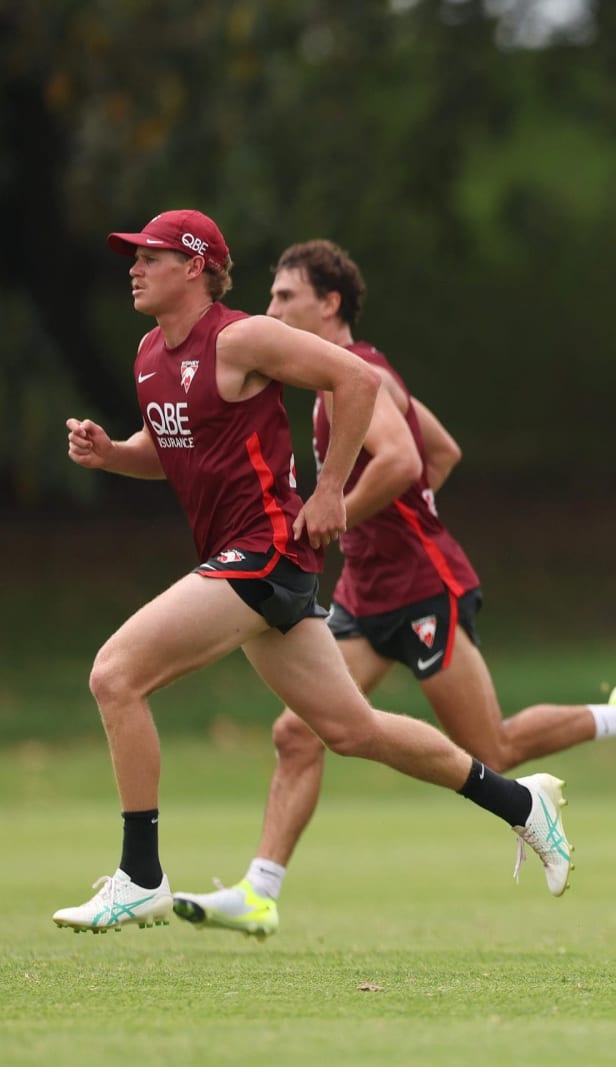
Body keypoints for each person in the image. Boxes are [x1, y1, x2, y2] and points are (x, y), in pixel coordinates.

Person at [54, 210, 574, 934]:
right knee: (353, 730)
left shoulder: (241, 336)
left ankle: (141, 875)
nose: (134, 268)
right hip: (251, 563)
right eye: (133, 257)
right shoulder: (149, 353)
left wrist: (330, 487)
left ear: (197, 266)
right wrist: (111, 451)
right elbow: (168, 445)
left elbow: (356, 378)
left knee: (115, 674)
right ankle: (522, 805)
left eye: (151, 256)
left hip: (262, 551)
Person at [164, 239, 616, 939]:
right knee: (300, 730)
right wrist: (379, 526)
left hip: (422, 586)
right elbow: (440, 452)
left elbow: (406, 458)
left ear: (329, 304)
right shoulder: (335, 385)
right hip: (366, 585)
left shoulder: (364, 377)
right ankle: (260, 891)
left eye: (285, 296)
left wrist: (344, 511)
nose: (270, 309)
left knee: (494, 749)